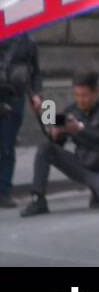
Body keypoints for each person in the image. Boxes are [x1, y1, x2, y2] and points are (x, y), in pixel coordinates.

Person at [21, 71, 99, 217]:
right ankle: (38, 199)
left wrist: (80, 129)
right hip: (80, 164)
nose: (81, 100)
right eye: (77, 95)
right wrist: (56, 134)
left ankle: (97, 191)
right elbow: (58, 143)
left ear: (96, 93)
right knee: (45, 149)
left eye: (85, 95)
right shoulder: (71, 110)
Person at [0, 34, 42, 208]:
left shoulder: (28, 41)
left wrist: (37, 95)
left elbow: (35, 72)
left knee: (7, 145)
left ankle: (3, 191)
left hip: (14, 97)